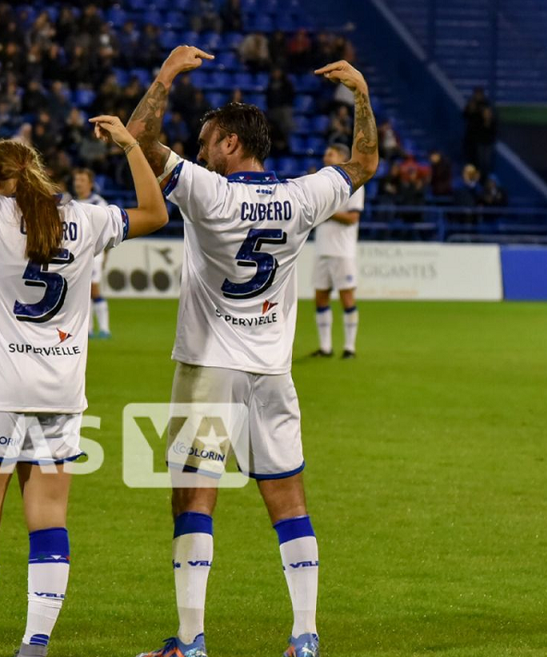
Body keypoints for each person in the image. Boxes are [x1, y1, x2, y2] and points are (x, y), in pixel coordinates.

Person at [125, 46, 379, 657]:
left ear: (232, 145)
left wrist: (164, 77)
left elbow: (137, 138)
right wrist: (361, 93)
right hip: (272, 371)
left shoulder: (208, 192)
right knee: (288, 500)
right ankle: (305, 635)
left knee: (193, 499)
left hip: (210, 367)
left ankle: (190, 641)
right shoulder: (303, 196)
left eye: (209, 140)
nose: (201, 146)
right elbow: (364, 160)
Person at [0, 116, 167, 657]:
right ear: (36, 171)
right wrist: (130, 147)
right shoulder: (83, 218)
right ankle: (35, 642)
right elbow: (156, 212)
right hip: (60, 395)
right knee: (48, 521)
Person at [311, 143, 364, 359]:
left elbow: (352, 218)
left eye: (330, 154)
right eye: (325, 153)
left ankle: (349, 347)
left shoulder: (354, 184)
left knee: (347, 298)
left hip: (343, 251)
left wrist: (327, 210)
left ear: (342, 157)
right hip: (322, 249)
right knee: (320, 297)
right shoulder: (320, 185)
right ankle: (325, 347)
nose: (325, 157)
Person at [71, 168, 113, 338]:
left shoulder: (98, 203)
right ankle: (87, 330)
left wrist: (106, 255)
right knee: (82, 291)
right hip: (77, 254)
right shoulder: (72, 203)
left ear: (90, 183)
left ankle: (104, 329)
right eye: (76, 180)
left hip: (94, 253)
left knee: (93, 289)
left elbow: (108, 230)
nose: (78, 183)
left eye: (81, 180)